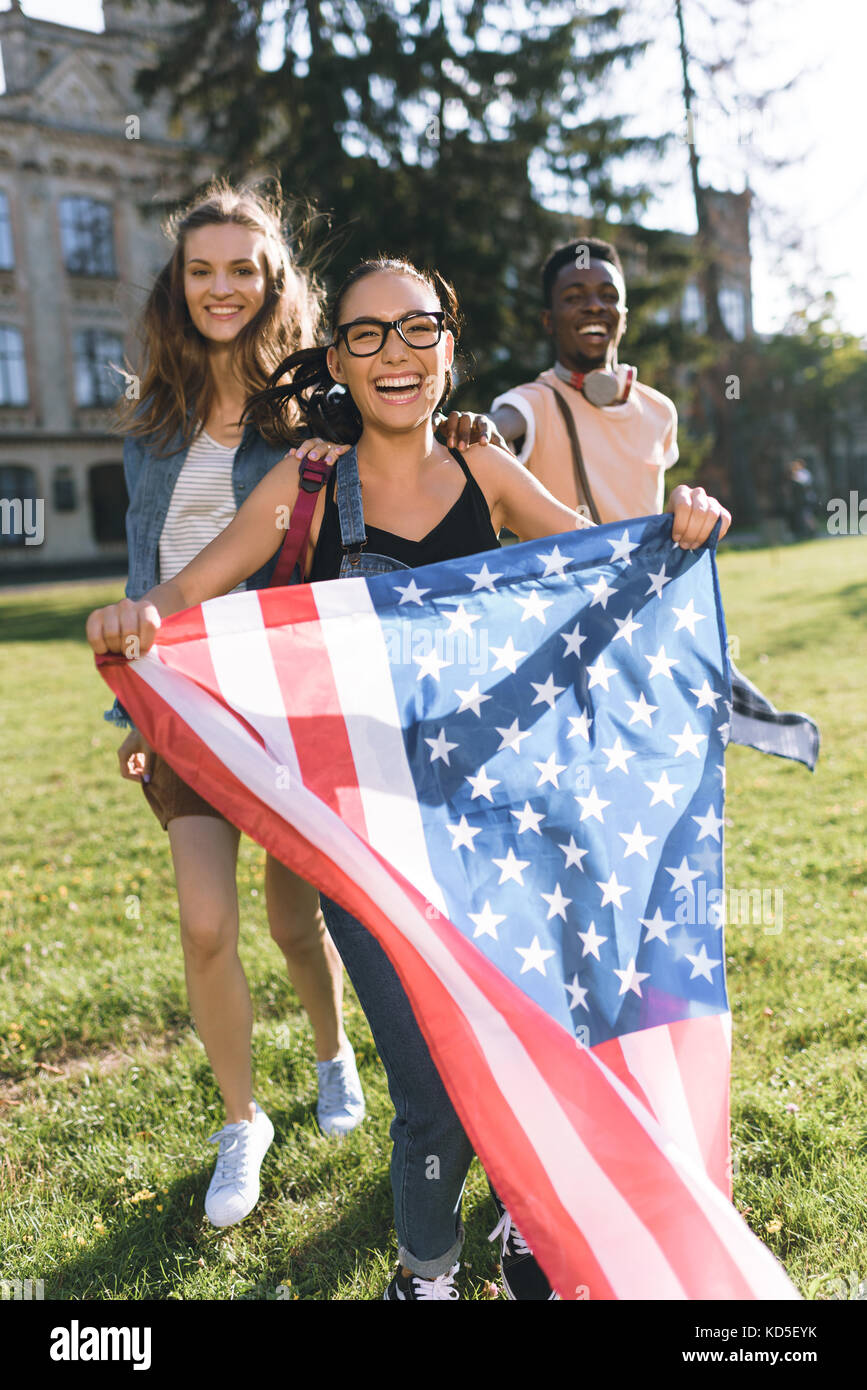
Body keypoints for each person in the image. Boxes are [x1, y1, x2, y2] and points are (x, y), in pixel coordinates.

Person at [87, 256, 730, 1298]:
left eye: (418, 327)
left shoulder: (487, 475)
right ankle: (424, 1271)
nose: (397, 352)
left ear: (450, 345)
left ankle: (532, 1216)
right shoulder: (298, 487)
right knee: (432, 1085)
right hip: (370, 843)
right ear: (338, 356)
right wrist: (134, 620)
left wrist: (682, 527)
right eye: (368, 334)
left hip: (504, 828)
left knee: (531, 1037)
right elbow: (185, 599)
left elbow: (606, 557)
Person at [106, 181, 368, 1231]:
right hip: (181, 704)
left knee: (291, 913)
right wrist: (132, 714)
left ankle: (333, 1051)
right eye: (202, 270)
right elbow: (142, 574)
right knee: (208, 921)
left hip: (285, 703)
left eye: (243, 270)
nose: (223, 288)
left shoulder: (312, 417)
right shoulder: (150, 427)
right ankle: (241, 1120)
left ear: (273, 284)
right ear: (180, 285)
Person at [490, 238, 680, 524]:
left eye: (608, 296)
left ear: (624, 318)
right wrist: (478, 426)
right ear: (548, 321)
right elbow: (495, 425)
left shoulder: (661, 410)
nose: (594, 307)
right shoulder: (532, 402)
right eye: (574, 298)